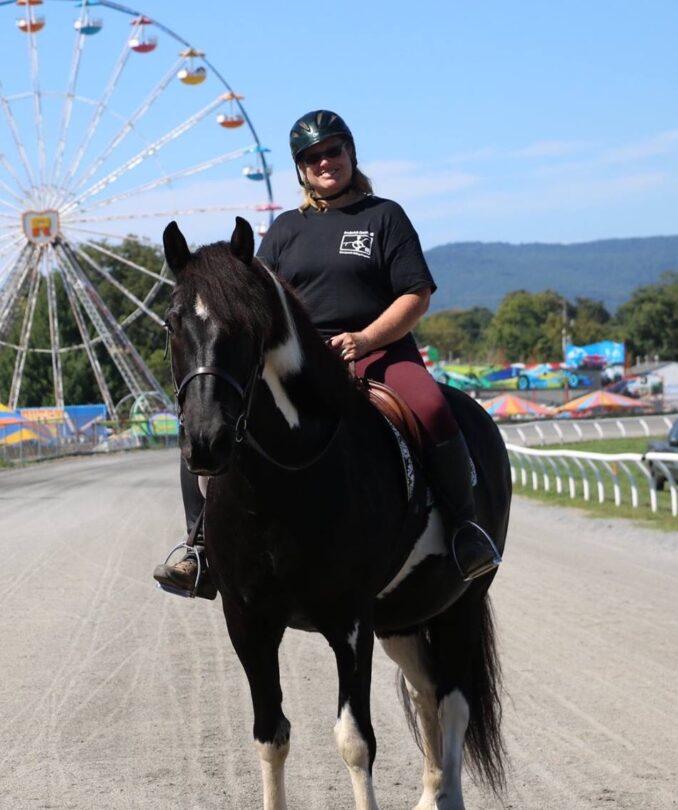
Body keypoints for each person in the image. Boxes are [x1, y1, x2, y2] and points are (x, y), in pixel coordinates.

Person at [154, 109, 500, 599]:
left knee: (431, 408)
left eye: (332, 151)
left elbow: (416, 294)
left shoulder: (384, 216)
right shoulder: (284, 230)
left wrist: (365, 338)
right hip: (301, 362)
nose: (324, 162)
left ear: (350, 152)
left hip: (381, 350)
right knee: (207, 423)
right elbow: (254, 300)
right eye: (312, 157)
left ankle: (466, 530)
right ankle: (199, 549)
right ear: (300, 169)